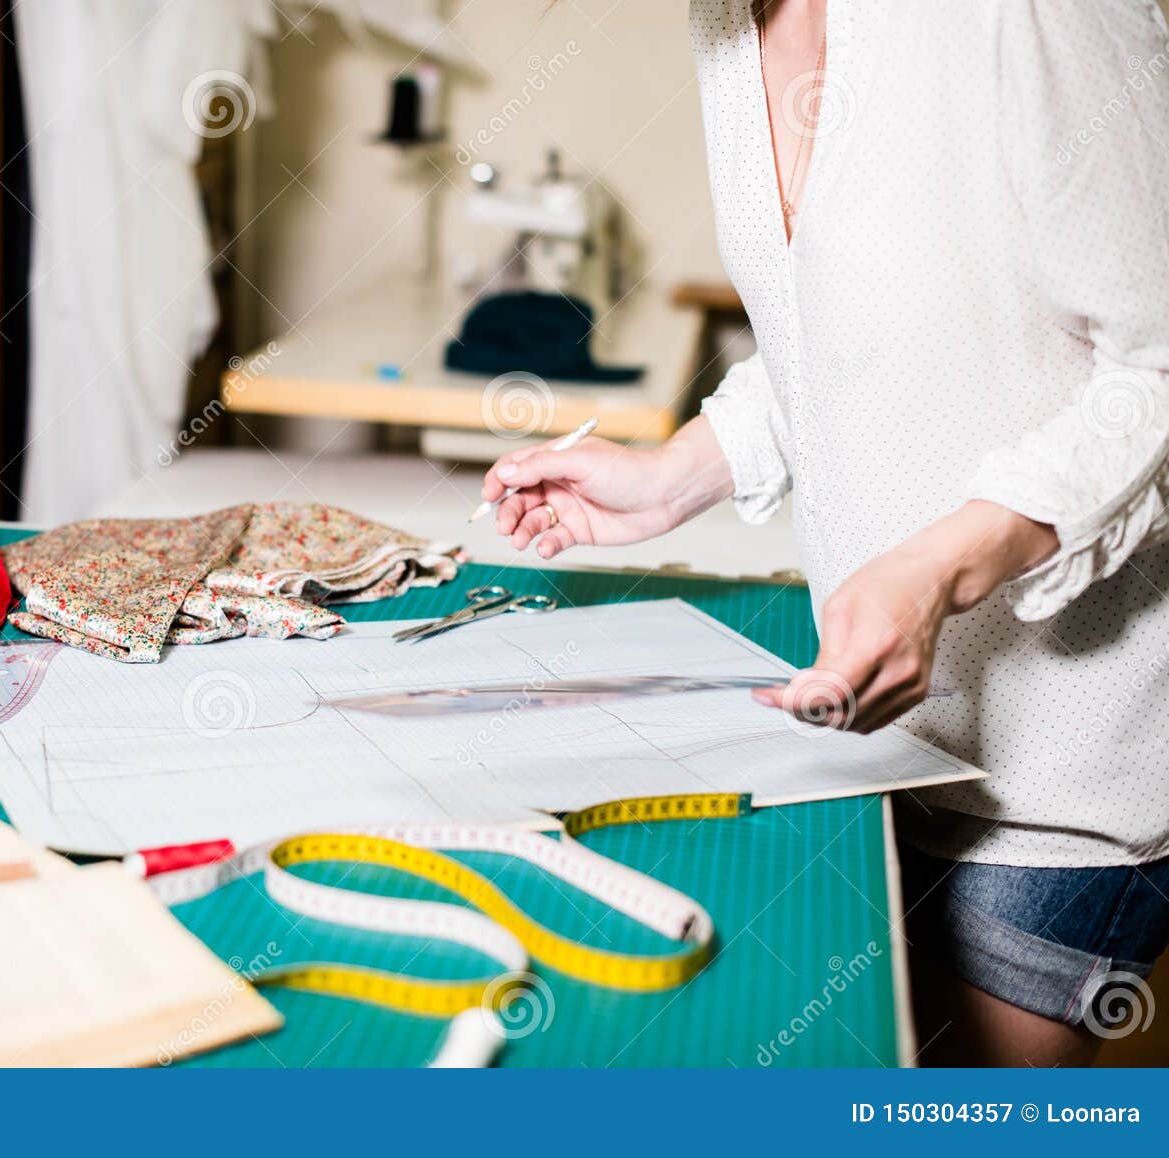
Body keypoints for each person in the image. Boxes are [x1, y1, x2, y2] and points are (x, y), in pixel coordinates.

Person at [492, 0, 1169, 1065]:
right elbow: (858, 339)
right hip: (873, 747)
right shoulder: (724, 23)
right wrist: (677, 474)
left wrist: (944, 566)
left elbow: (1155, 364)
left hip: (1058, 780)